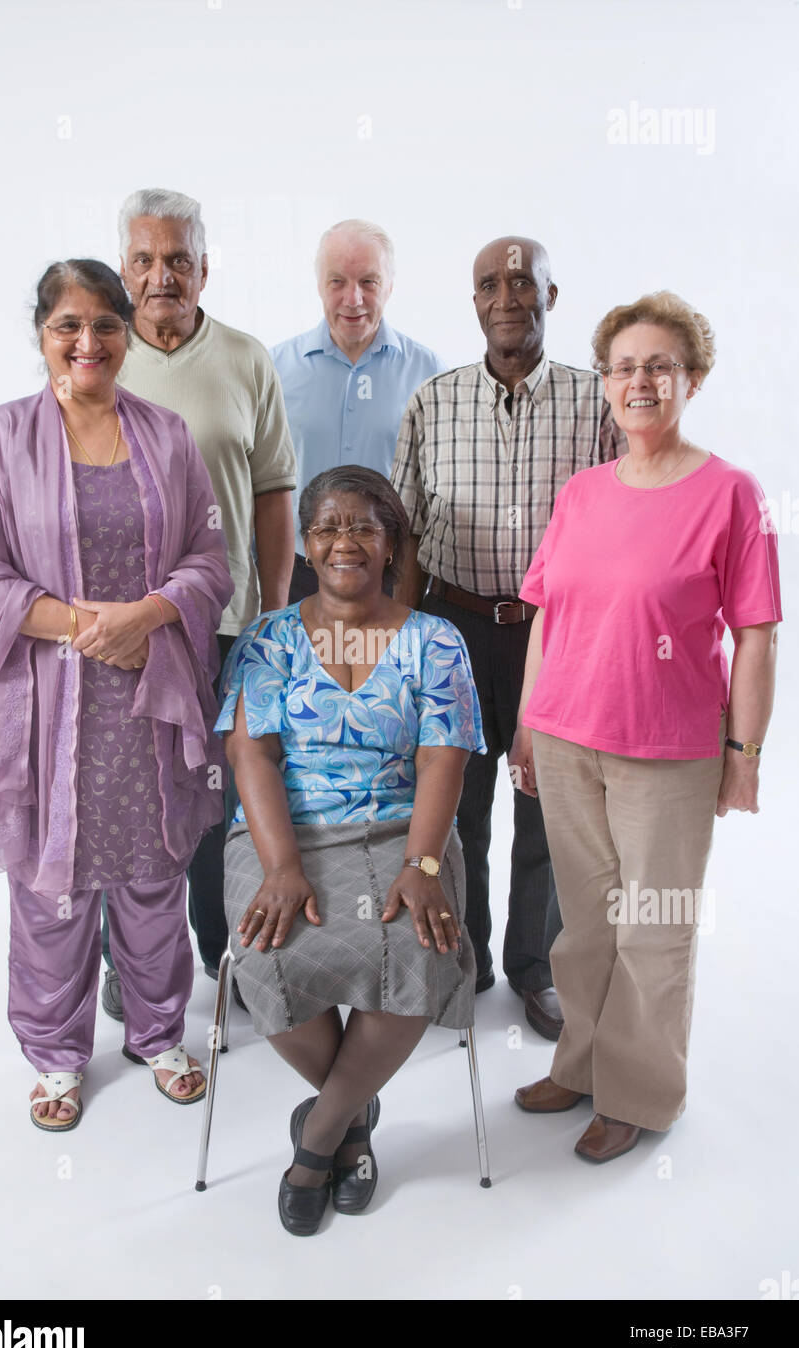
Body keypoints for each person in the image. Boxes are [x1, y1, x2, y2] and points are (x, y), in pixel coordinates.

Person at [0, 258, 233, 1130]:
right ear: (42, 335)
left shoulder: (168, 434)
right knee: (51, 886)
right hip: (45, 705)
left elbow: (210, 559)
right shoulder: (0, 439)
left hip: (151, 699)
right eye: (68, 325)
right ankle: (56, 1054)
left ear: (126, 335)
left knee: (153, 875)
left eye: (105, 325)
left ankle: (157, 1033)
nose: (88, 342)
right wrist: (79, 625)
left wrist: (147, 615)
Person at [510, 291, 781, 1162]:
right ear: (606, 383)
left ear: (691, 380)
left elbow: (758, 635)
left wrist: (743, 756)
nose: (639, 381)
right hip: (564, 738)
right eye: (623, 367)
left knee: (652, 929)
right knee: (584, 923)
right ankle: (583, 1063)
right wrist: (525, 725)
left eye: (659, 365)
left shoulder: (732, 494)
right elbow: (548, 616)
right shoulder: (584, 493)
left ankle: (638, 1094)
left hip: (668, 755)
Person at [216, 465, 485, 1234]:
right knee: (267, 957)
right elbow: (252, 756)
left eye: (365, 527)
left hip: (408, 833)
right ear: (305, 543)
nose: (346, 542)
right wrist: (282, 869)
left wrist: (422, 865)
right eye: (329, 527)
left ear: (392, 544)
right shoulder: (270, 637)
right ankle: (354, 1116)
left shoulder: (436, 641)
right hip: (283, 836)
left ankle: (320, 1138)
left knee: (423, 950)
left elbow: (444, 759)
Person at [391, 236, 624, 1036]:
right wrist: (404, 641)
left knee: (549, 807)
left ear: (550, 298)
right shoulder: (433, 401)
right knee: (455, 805)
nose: (505, 297)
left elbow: (622, 532)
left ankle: (536, 967)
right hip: (453, 625)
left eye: (522, 282)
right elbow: (409, 535)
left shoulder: (598, 404)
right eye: (489, 283)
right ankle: (461, 959)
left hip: (555, 633)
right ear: (475, 299)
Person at [98, 187, 297, 1019]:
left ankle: (226, 956)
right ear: (122, 271)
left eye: (178, 260)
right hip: (123, 634)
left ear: (205, 269)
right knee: (126, 799)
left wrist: (276, 614)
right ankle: (132, 967)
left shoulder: (248, 360)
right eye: (144, 260)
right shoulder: (95, 362)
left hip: (223, 624)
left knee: (218, 800)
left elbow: (276, 492)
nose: (161, 276)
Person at [271, 219, 445, 603]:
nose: (354, 299)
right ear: (319, 285)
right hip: (298, 578)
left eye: (369, 282)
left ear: (390, 286)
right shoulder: (274, 369)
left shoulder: (430, 374)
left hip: (391, 579)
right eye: (337, 282)